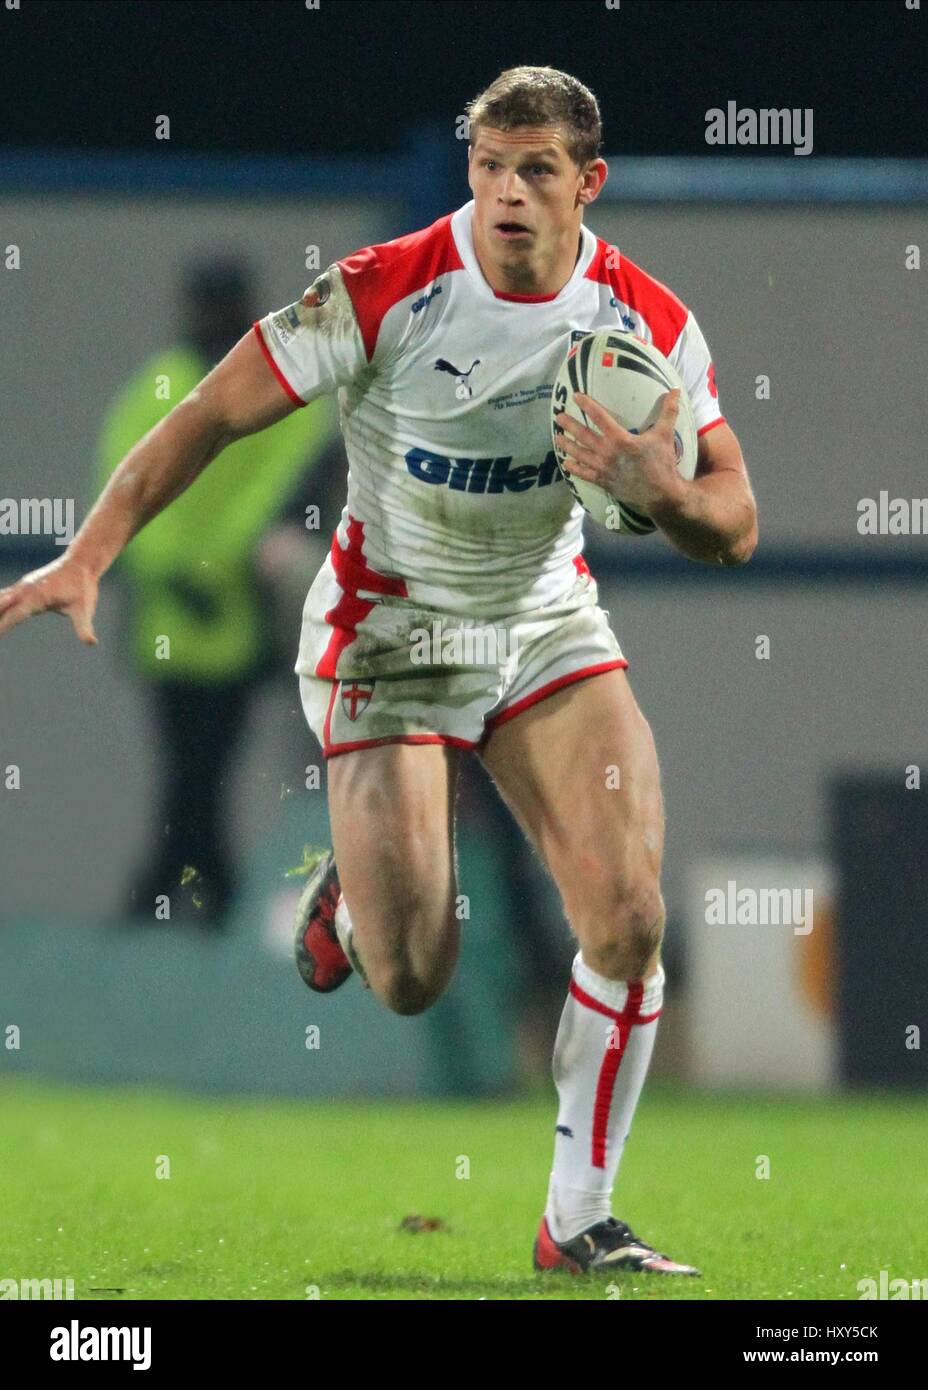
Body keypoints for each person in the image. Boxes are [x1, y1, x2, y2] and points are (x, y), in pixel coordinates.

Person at [0, 66, 757, 1276]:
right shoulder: (383, 288)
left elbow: (734, 519)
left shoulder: (646, 323)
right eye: (489, 168)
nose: (506, 195)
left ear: (588, 184)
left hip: (542, 626)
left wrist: (659, 489)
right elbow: (205, 414)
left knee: (627, 915)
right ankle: (352, 897)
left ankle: (576, 1219)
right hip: (389, 633)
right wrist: (91, 554)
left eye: (536, 173)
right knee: (411, 978)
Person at [93, 257, 337, 927]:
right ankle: (198, 886)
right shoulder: (195, 387)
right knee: (193, 768)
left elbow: (291, 479)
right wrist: (196, 566)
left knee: (199, 768)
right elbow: (128, 486)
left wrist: (184, 566)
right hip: (189, 621)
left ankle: (180, 887)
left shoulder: (231, 389)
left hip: (210, 621)